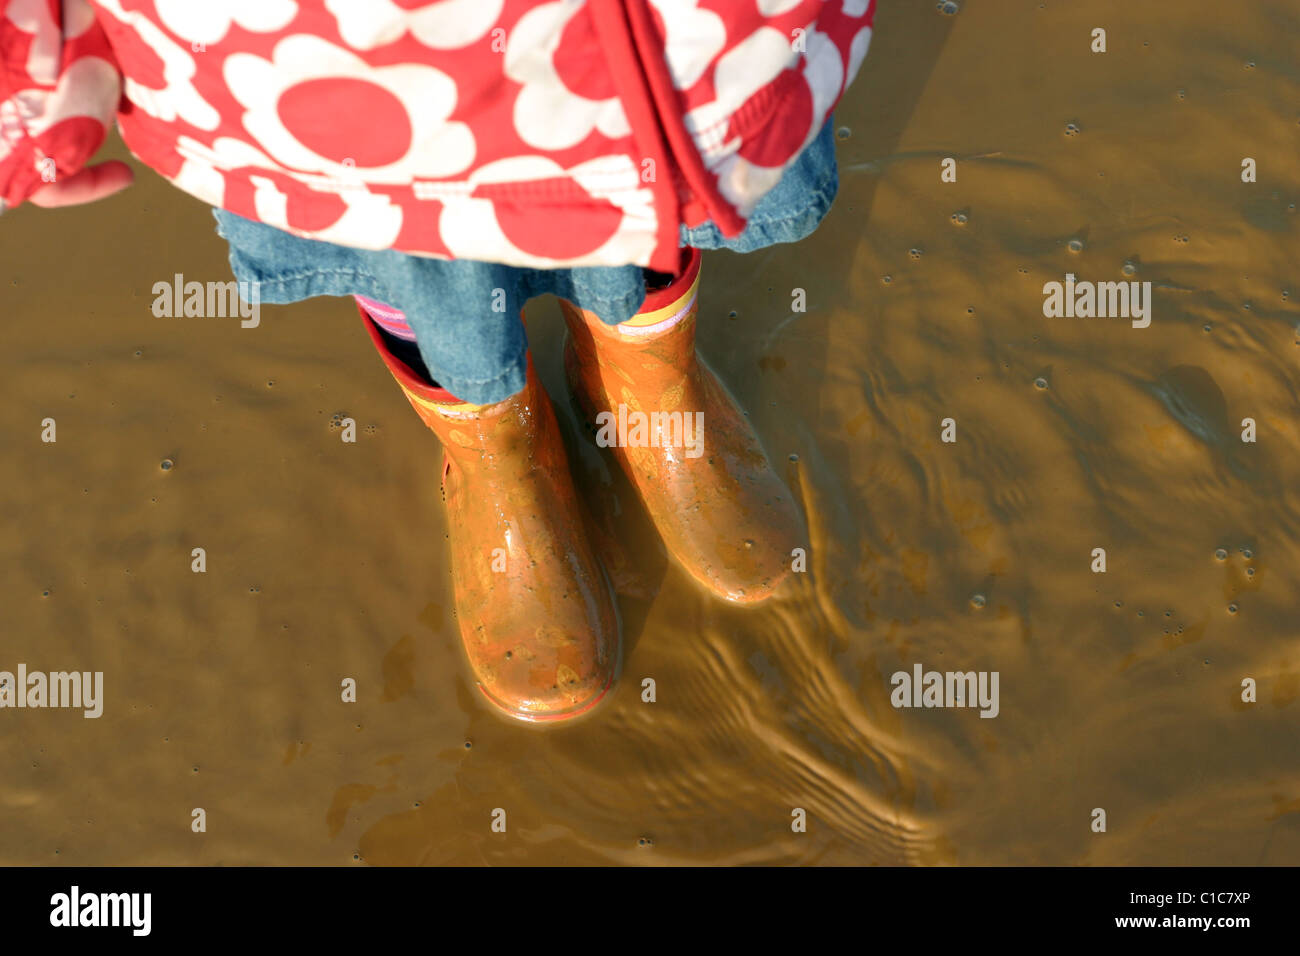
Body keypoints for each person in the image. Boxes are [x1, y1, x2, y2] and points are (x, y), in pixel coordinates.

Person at [1, 0, 876, 721]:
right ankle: (499, 457)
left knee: (638, 156)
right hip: (312, 44)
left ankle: (647, 387)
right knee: (403, 231)